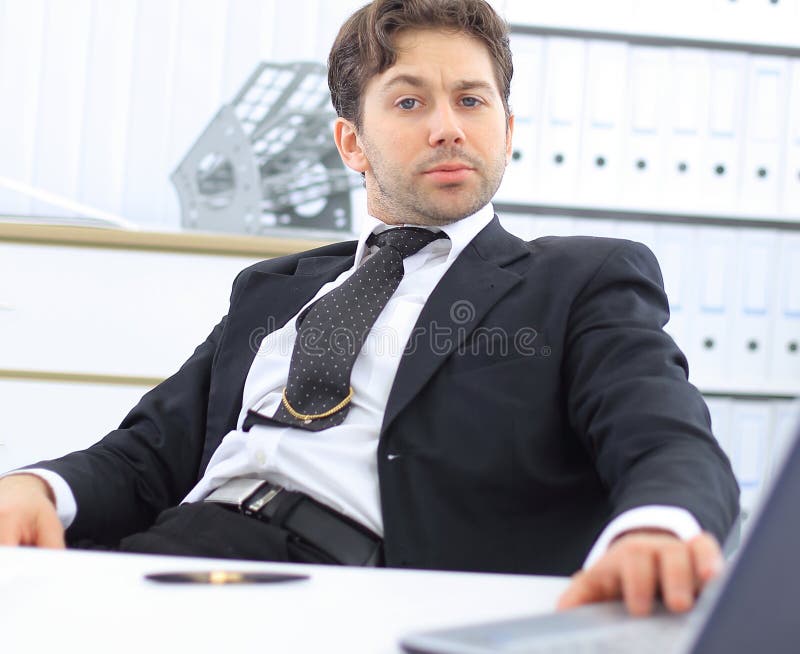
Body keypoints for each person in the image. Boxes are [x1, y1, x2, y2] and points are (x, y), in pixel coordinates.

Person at [0, 0, 737, 617]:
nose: (448, 126)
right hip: (167, 563)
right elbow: (148, 452)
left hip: (350, 588)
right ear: (352, 143)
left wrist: (656, 528)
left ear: (507, 131)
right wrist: (38, 487)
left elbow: (664, 435)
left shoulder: (579, 279)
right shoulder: (274, 290)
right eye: (410, 101)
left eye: (472, 100)